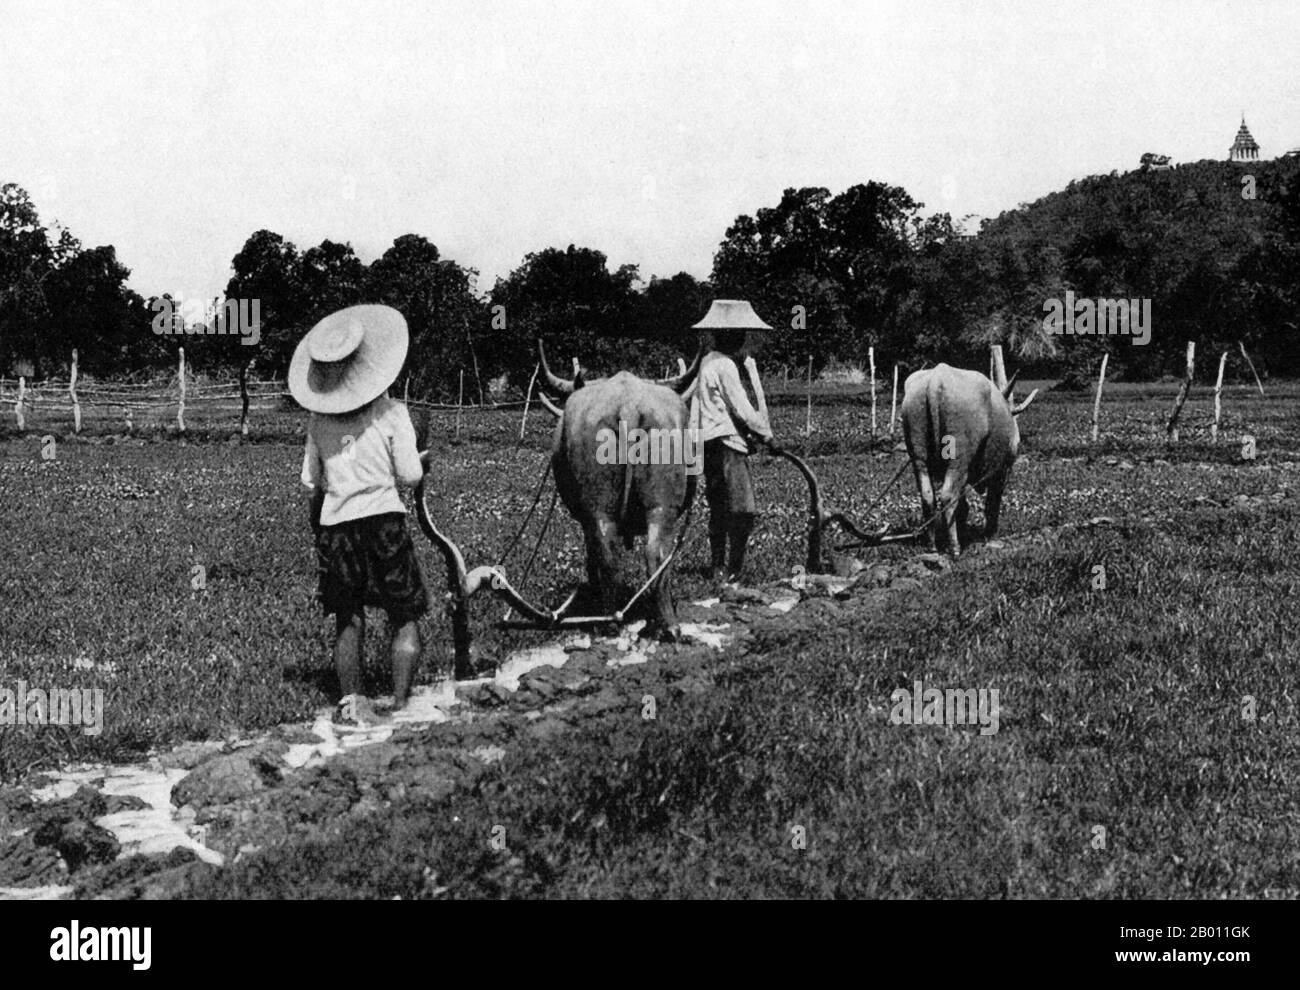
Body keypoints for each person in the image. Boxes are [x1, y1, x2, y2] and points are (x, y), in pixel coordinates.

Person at [289, 304, 430, 727]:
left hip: (336, 526)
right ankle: (402, 706)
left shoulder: (318, 420)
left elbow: (314, 480)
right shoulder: (391, 412)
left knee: (347, 618)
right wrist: (424, 460)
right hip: (383, 521)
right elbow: (409, 474)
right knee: (403, 614)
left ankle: (352, 702)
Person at [690, 299, 776, 584]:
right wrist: (766, 435)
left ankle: (717, 567)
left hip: (708, 443)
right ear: (729, 334)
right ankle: (734, 570)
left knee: (718, 507)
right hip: (728, 445)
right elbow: (740, 408)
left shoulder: (707, 361)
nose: (742, 338)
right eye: (739, 333)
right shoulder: (725, 365)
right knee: (743, 509)